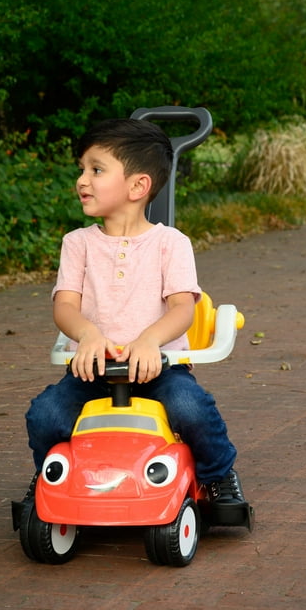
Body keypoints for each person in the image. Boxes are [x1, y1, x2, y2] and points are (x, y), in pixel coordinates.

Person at [23, 118, 247, 509]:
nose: (82, 180)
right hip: (94, 370)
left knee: (190, 408)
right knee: (45, 414)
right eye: (81, 169)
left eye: (96, 169)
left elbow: (183, 308)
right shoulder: (77, 244)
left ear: (138, 186)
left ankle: (218, 474)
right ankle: (50, 477)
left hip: (162, 369)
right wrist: (88, 335)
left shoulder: (170, 244)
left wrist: (149, 340)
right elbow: (65, 306)